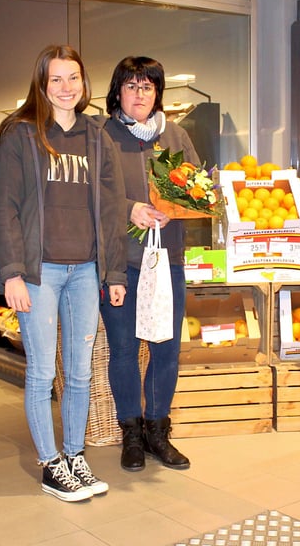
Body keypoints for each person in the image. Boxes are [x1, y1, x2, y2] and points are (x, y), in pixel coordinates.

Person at [0, 44, 128, 502]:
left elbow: (110, 210)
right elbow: (5, 208)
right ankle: (50, 464)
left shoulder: (97, 137)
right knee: (41, 371)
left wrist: (113, 274)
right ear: (42, 84)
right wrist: (12, 272)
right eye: (56, 79)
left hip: (86, 271)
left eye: (74, 78)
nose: (66, 88)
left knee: (81, 372)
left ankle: (74, 457)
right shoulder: (22, 135)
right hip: (39, 272)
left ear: (84, 83)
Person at [99, 56, 196, 473]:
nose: (140, 94)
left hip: (167, 260)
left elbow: (197, 187)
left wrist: (179, 204)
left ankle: (159, 432)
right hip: (121, 263)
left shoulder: (175, 135)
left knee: (166, 349)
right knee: (123, 351)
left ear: (158, 93)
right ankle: (131, 434)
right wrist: (128, 209)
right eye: (132, 86)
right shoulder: (101, 136)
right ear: (118, 91)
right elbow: (90, 197)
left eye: (148, 87)